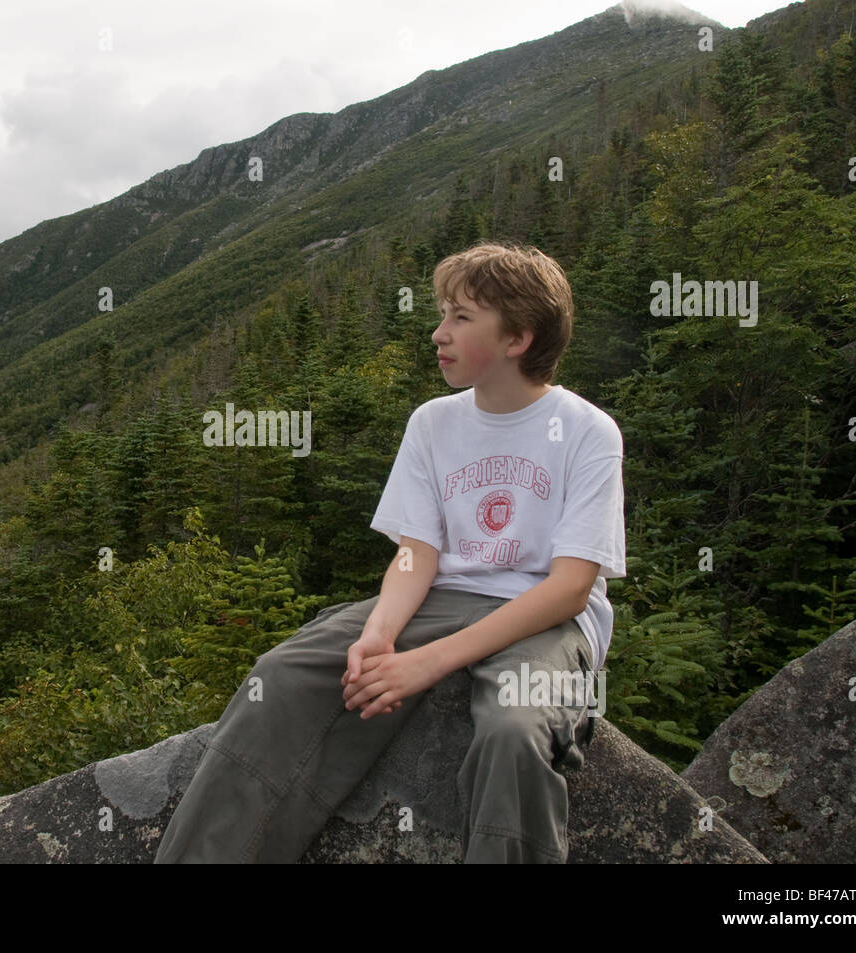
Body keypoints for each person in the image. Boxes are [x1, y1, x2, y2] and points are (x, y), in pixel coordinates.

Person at [154, 240, 626, 863]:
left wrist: (426, 663)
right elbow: (416, 554)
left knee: (514, 732)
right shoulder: (434, 422)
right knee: (283, 675)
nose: (439, 333)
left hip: (544, 617)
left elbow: (569, 587)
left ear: (518, 339)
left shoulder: (588, 430)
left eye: (461, 318)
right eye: (441, 314)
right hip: (441, 597)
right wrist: (380, 633)